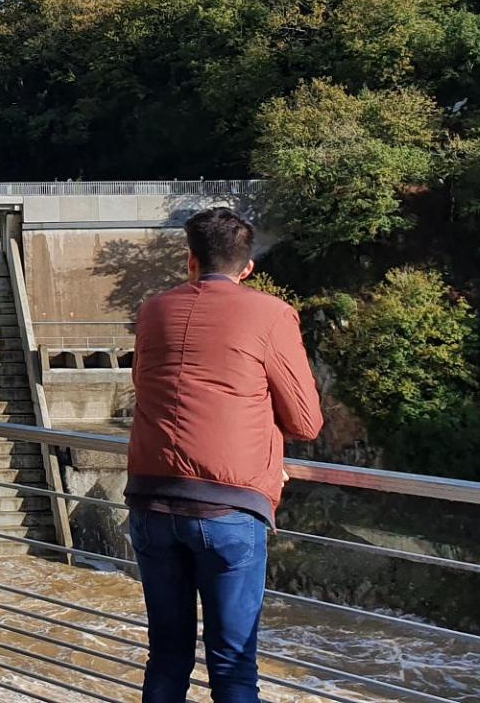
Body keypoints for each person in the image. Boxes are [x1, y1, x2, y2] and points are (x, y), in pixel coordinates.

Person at [125, 207, 323, 703]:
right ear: (248, 267)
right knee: (233, 665)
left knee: (167, 656)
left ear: (190, 261)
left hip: (151, 499)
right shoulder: (270, 314)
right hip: (229, 509)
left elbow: (144, 387)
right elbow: (305, 421)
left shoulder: (153, 310)